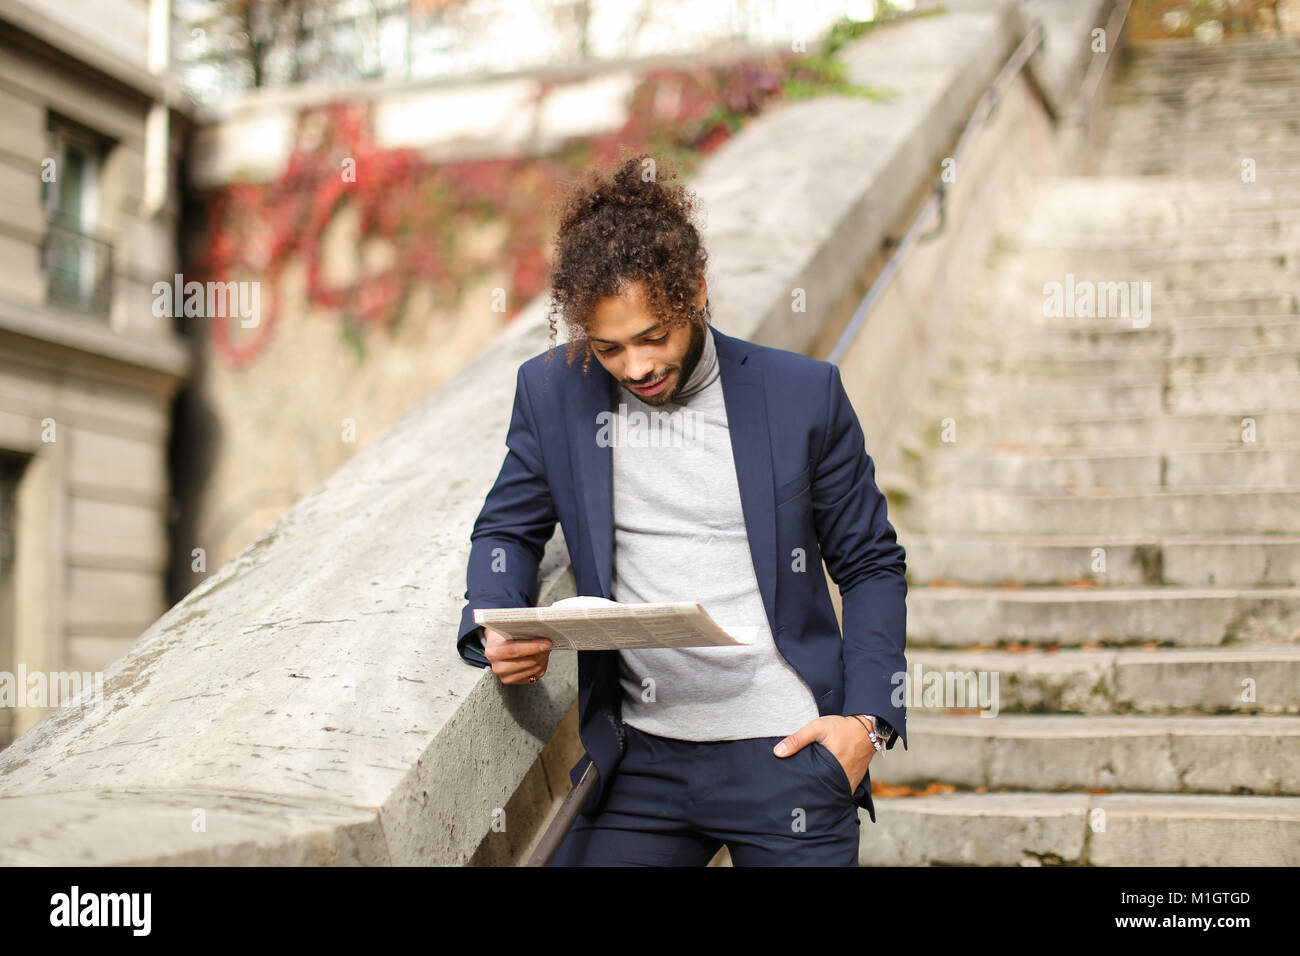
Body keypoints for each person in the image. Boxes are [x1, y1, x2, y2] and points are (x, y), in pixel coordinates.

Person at [455, 151, 908, 866]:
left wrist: (866, 724)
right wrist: (495, 622)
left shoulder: (801, 396)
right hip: (641, 762)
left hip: (790, 751)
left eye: (653, 337)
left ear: (694, 291)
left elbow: (871, 562)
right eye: (608, 348)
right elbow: (508, 528)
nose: (636, 367)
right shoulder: (554, 393)